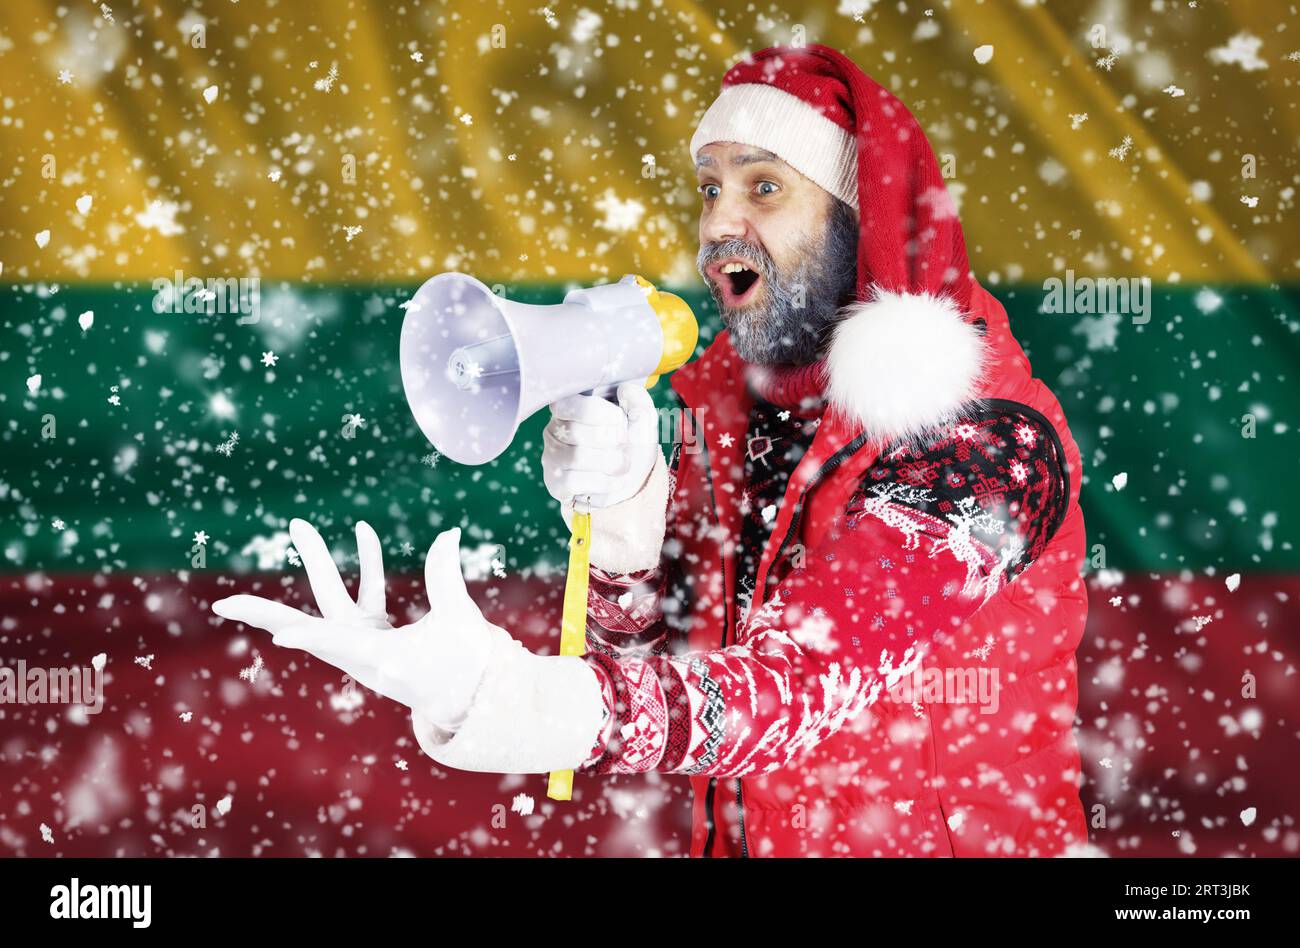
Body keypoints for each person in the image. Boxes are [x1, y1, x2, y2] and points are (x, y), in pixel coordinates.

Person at [213, 43, 1089, 857]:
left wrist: (526, 702)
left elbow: (800, 687)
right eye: (710, 188)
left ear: (860, 217)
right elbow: (650, 681)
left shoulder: (995, 444)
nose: (719, 227)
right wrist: (630, 537)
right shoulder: (730, 415)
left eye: (765, 187)